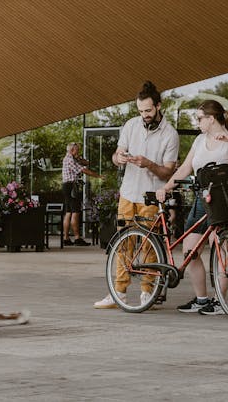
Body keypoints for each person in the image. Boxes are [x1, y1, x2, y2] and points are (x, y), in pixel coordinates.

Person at [156, 99, 228, 315]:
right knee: (190, 251)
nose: (197, 122)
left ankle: (220, 301)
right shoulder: (200, 141)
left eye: (200, 118)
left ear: (211, 119)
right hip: (202, 200)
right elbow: (185, 168)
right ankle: (202, 300)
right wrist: (166, 187)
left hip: (223, 201)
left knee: (221, 249)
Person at [94, 81, 179, 309]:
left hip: (151, 197)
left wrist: (148, 163)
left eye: (148, 111)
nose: (145, 115)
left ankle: (147, 292)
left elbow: (168, 171)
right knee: (124, 244)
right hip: (128, 193)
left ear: (159, 106)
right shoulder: (131, 125)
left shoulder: (170, 134)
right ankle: (118, 292)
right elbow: (116, 154)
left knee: (149, 247)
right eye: (141, 111)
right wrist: (118, 157)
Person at [62, 142, 101, 246]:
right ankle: (77, 238)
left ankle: (66, 238)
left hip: (67, 186)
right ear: (72, 150)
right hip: (71, 187)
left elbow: (86, 163)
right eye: (77, 150)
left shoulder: (71, 158)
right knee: (75, 212)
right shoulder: (70, 160)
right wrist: (98, 176)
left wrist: (78, 157)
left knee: (68, 212)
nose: (78, 151)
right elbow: (83, 170)